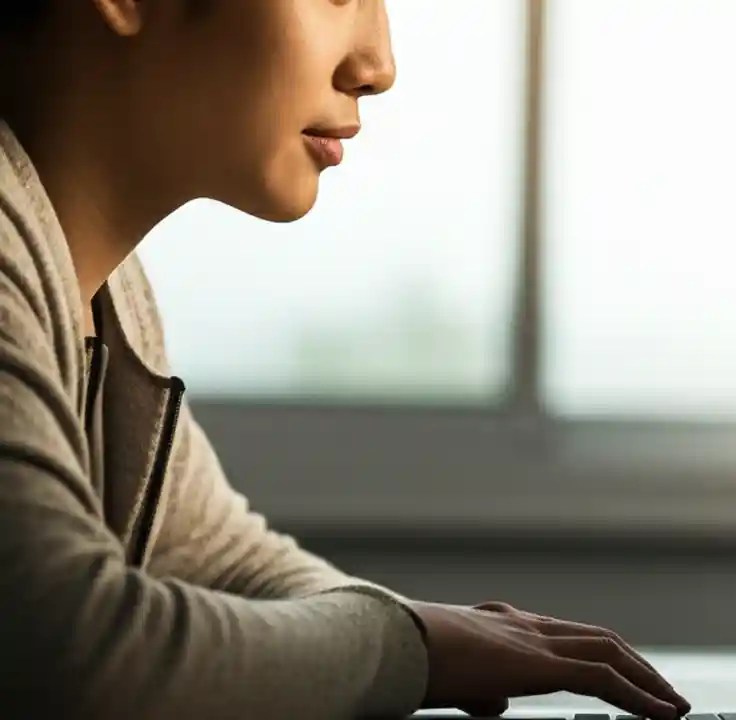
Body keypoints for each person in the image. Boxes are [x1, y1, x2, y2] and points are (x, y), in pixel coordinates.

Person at [0, 1, 692, 718]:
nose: (378, 66)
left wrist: (431, 636)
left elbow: (221, 565)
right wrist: (413, 645)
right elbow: (65, 648)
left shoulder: (108, 292)